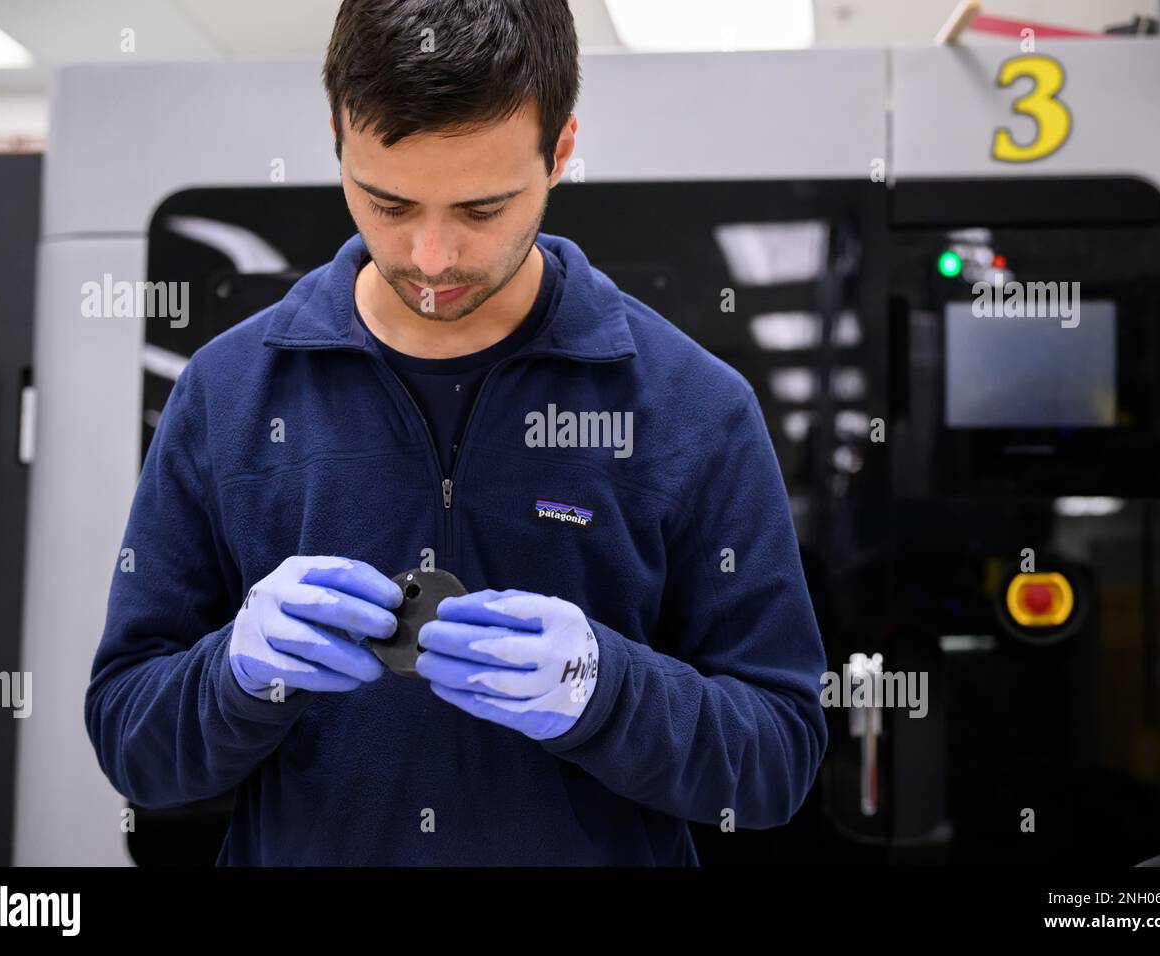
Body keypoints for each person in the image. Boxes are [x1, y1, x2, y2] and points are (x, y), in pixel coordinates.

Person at [84, 0, 828, 865]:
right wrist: (236, 677)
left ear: (562, 150)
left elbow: (777, 761)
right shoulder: (227, 392)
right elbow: (129, 739)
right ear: (336, 136)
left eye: (482, 209)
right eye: (388, 201)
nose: (432, 258)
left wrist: (607, 692)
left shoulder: (693, 408)